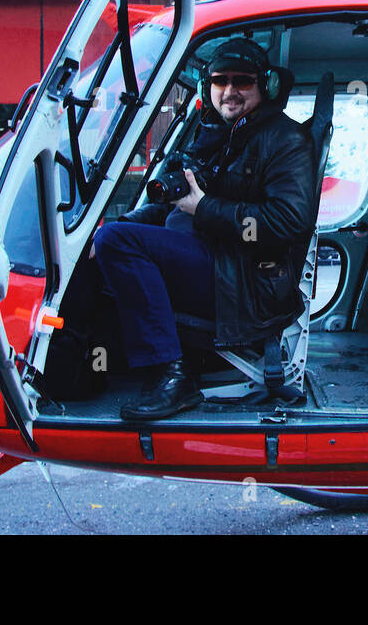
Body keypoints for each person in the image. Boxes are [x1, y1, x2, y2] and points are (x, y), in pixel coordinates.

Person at [92, 37, 316, 420]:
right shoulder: (218, 135)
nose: (229, 91)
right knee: (106, 243)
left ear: (265, 86)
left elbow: (289, 222)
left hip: (244, 280)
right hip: (214, 262)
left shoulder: (284, 139)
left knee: (117, 242)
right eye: (219, 80)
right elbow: (168, 208)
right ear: (206, 87)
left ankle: (174, 376)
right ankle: (89, 368)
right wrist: (125, 224)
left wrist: (205, 208)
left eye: (242, 81)